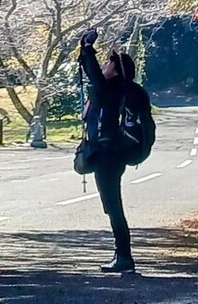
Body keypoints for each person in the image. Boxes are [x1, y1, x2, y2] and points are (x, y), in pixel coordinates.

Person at [79, 30, 141, 274]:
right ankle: (121, 255)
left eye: (109, 63)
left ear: (115, 70)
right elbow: (94, 76)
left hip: (107, 155)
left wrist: (86, 48)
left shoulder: (111, 91)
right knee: (113, 205)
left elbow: (93, 74)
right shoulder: (121, 91)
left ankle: (124, 256)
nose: (105, 66)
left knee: (113, 206)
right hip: (115, 155)